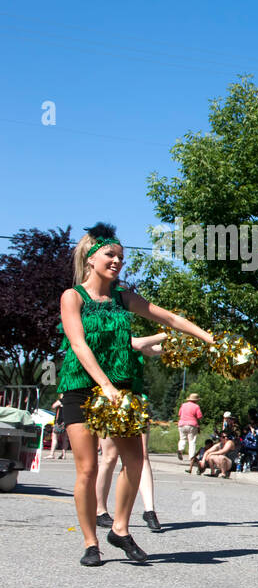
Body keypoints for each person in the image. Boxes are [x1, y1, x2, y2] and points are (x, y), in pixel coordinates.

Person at [58, 222, 213, 566]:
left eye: (120, 257)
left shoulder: (124, 297)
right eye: (110, 255)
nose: (117, 261)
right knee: (87, 468)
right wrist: (106, 386)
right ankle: (89, 542)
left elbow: (169, 317)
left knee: (135, 459)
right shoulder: (73, 297)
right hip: (82, 387)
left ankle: (121, 528)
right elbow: (79, 345)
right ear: (90, 258)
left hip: (122, 388)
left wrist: (210, 339)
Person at [96, 333, 167, 533]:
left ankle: (149, 510)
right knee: (109, 456)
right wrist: (169, 331)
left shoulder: (133, 340)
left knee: (142, 455)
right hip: (113, 398)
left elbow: (153, 349)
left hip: (136, 400)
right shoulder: (114, 337)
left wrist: (183, 343)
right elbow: (141, 343)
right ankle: (100, 510)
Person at [177, 392, 202, 462]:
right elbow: (199, 416)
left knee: (182, 439)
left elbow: (179, 414)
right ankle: (191, 457)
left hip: (181, 424)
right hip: (192, 425)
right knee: (192, 441)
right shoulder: (196, 406)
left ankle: (180, 449)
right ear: (196, 400)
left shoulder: (183, 405)